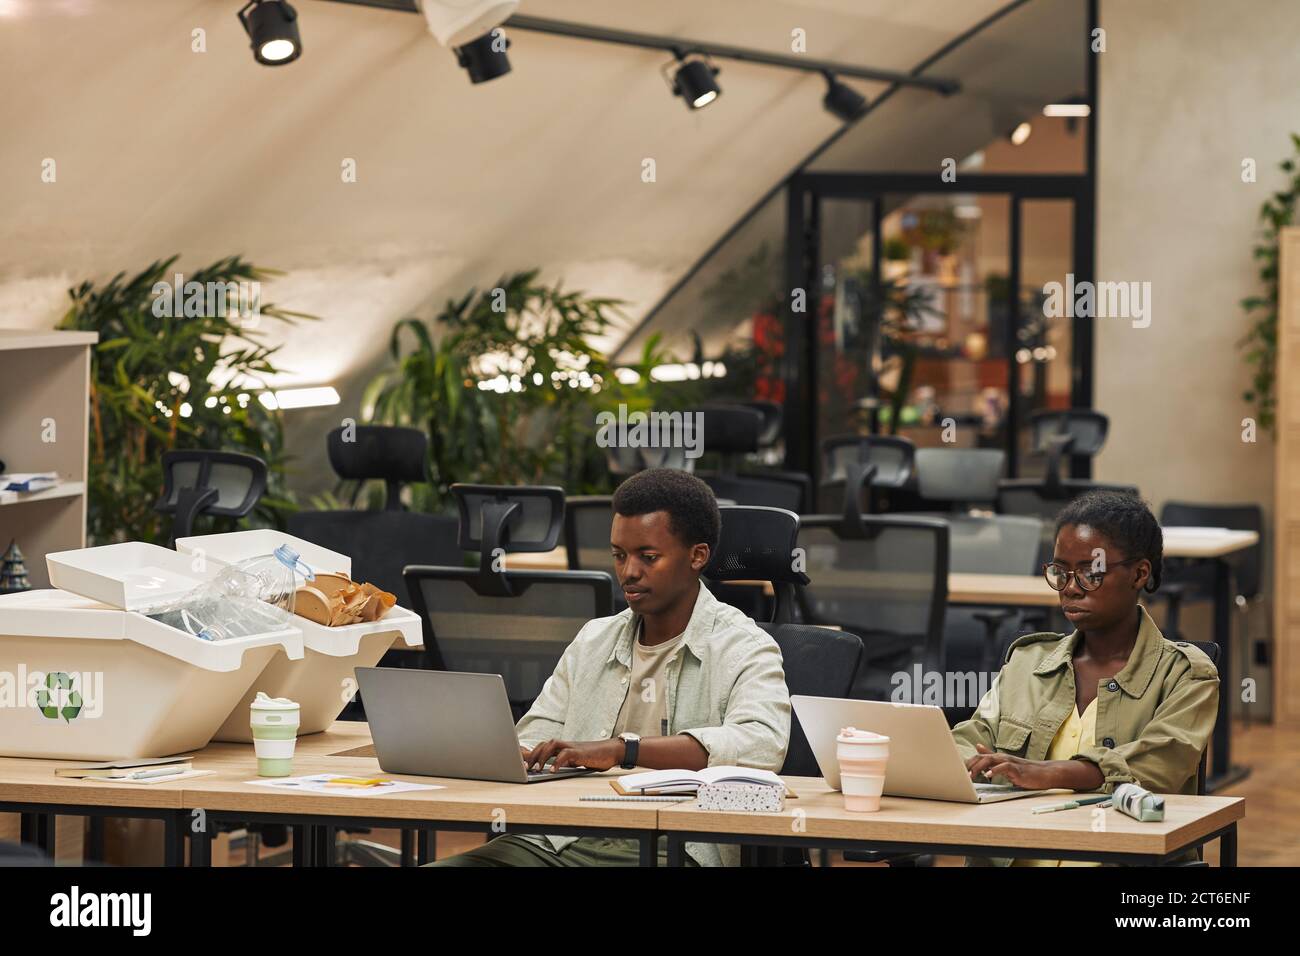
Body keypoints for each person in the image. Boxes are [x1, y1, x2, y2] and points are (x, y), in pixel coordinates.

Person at [428, 468, 791, 866]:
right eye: (619, 555)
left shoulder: (745, 647)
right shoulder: (594, 639)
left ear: (697, 556)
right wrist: (512, 753)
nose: (628, 571)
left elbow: (761, 746)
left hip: (673, 847)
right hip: (558, 838)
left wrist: (623, 750)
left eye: (647, 557)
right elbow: (536, 732)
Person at [951, 490, 1219, 866]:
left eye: (1091, 573)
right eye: (1060, 572)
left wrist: (1043, 773)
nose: (1070, 587)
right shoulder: (1028, 661)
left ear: (1139, 573)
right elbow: (970, 741)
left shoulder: (1185, 674)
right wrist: (946, 762)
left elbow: (1157, 766)